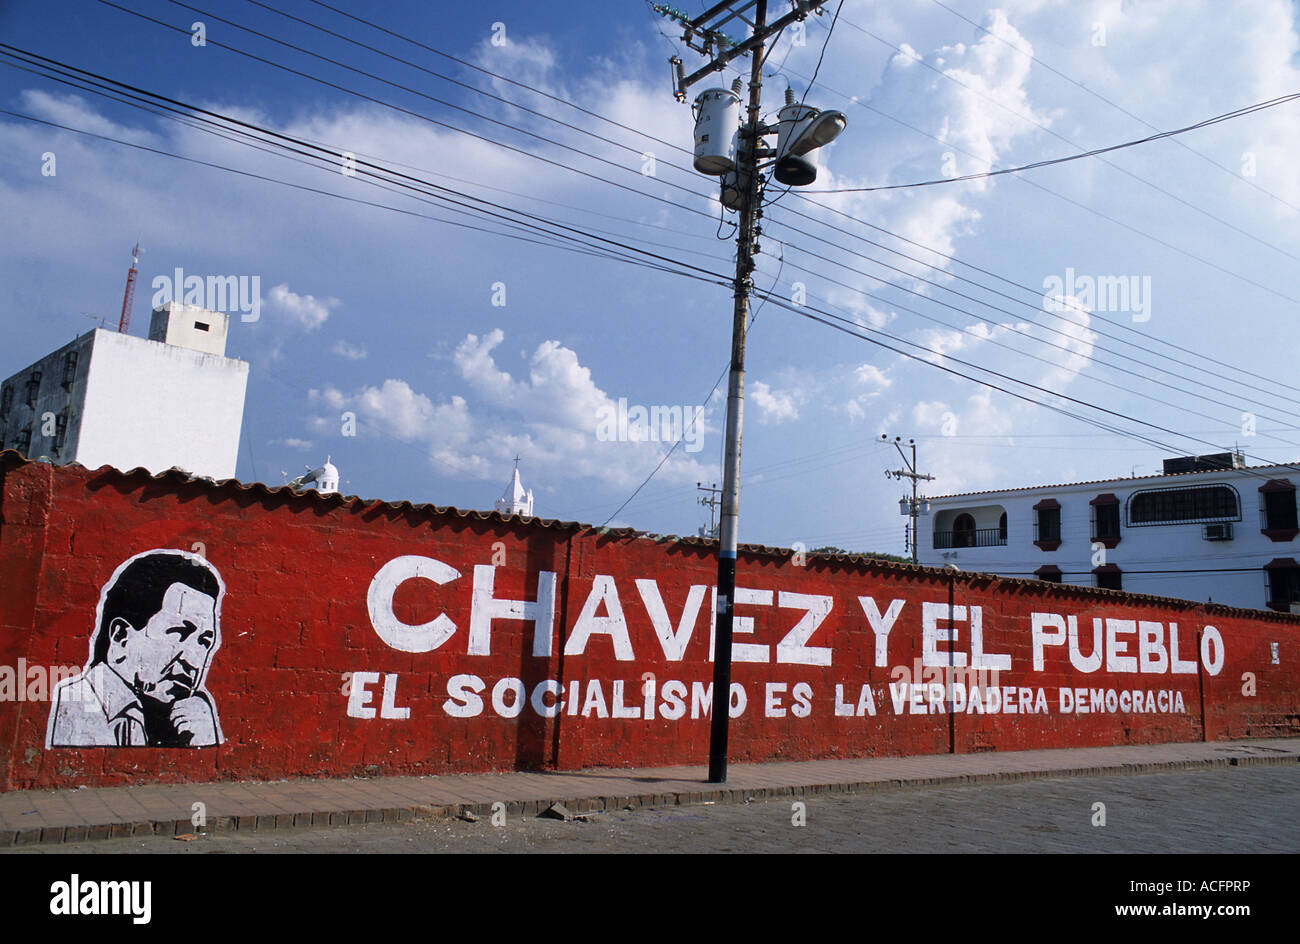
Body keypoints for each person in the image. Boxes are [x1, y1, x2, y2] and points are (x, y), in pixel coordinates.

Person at [46, 549, 225, 748]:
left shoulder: (183, 722)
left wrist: (205, 739)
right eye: (179, 633)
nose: (193, 661)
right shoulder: (77, 705)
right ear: (121, 636)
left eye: (205, 642)